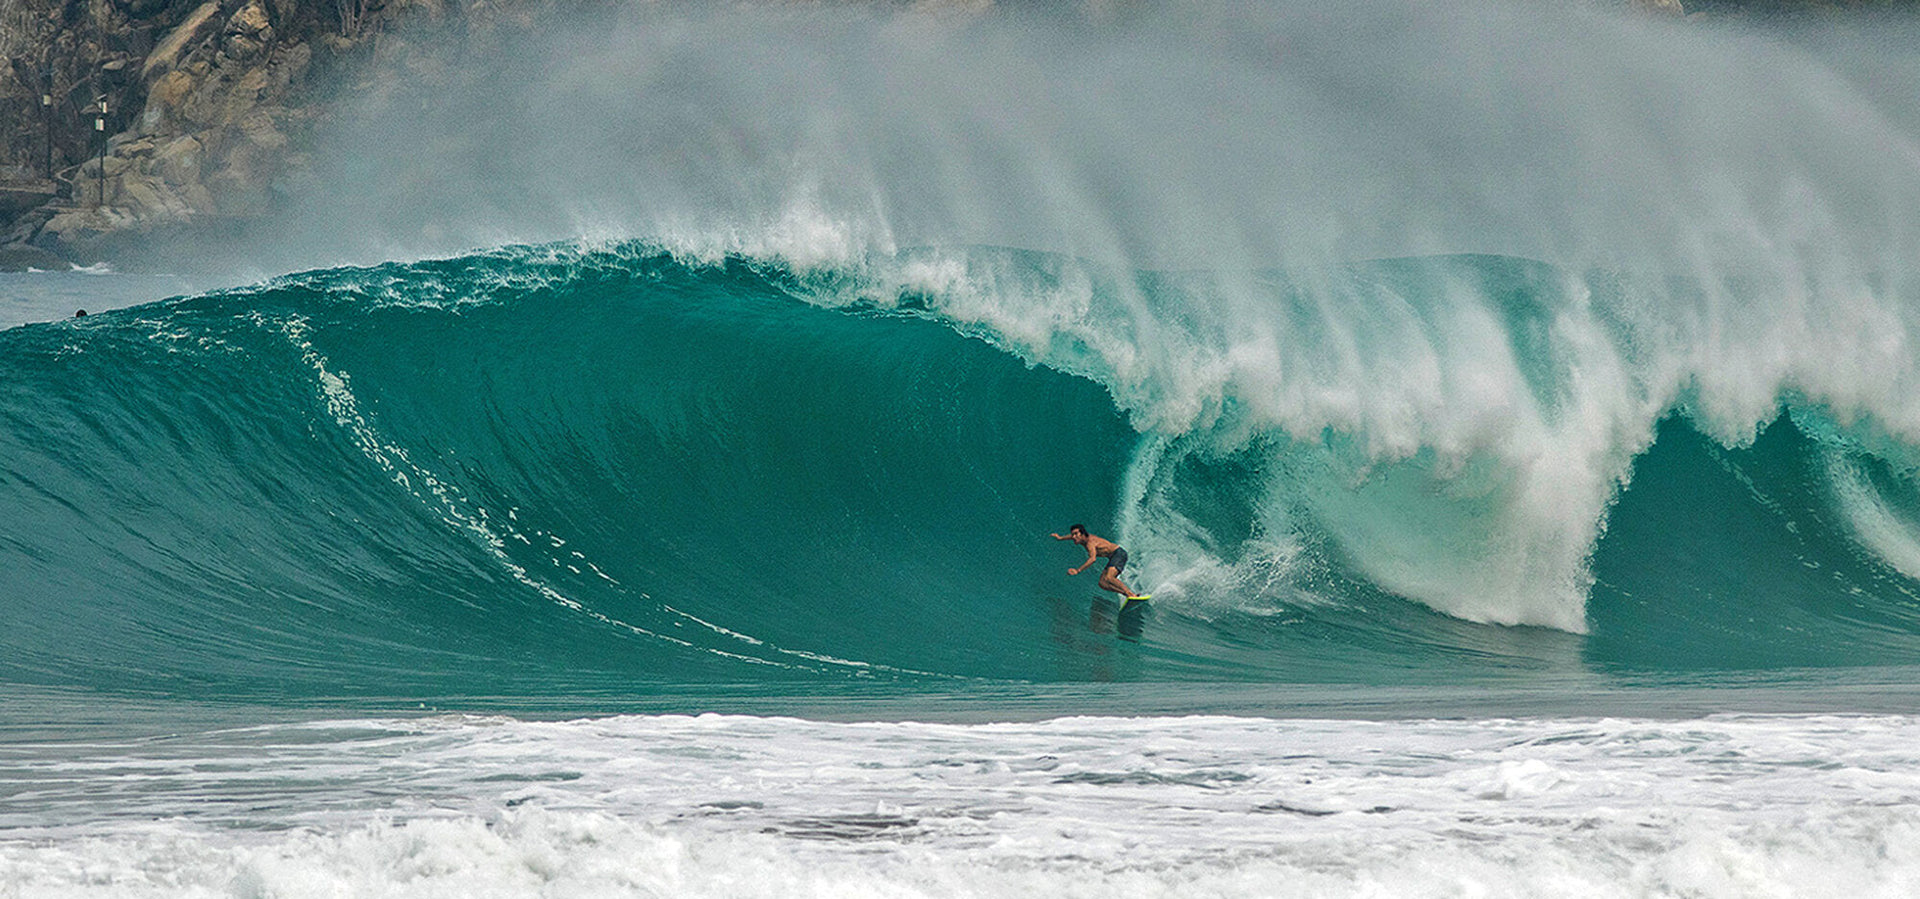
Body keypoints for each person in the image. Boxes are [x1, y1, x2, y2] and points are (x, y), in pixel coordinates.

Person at [1051, 524, 1145, 601]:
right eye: (1073, 535)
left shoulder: (1090, 543)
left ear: (1083, 534)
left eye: (1076, 534)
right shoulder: (1082, 538)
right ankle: (1126, 593)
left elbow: (1092, 559)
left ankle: (1131, 594)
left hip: (1118, 554)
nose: (1073, 537)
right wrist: (1060, 538)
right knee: (1102, 584)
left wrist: (1078, 570)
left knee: (1109, 577)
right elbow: (1070, 537)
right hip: (1112, 557)